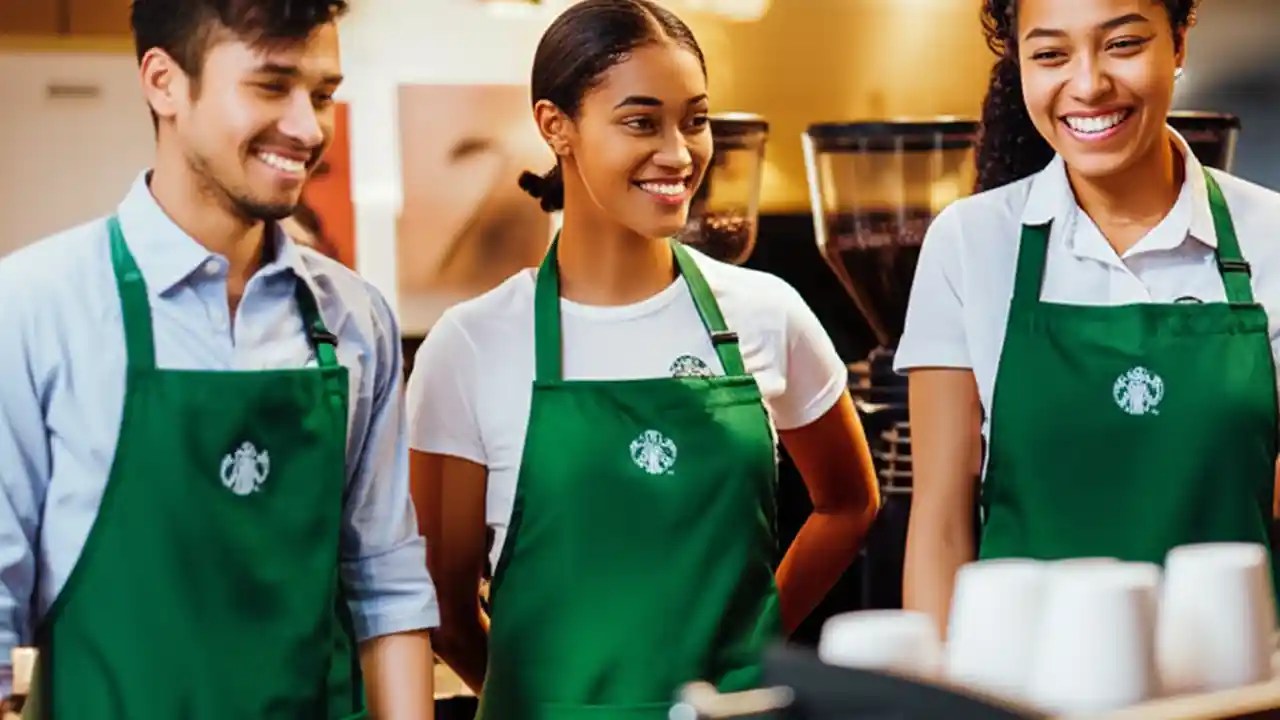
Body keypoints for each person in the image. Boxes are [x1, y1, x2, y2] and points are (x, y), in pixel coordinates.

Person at [405, 0, 881, 716]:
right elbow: (441, 606)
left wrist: (750, 653)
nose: (680, 152)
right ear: (554, 125)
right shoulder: (471, 345)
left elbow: (849, 503)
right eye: (640, 121)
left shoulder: (765, 311)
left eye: (694, 119)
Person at [0, 1, 439, 717]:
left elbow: (386, 586)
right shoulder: (33, 307)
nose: (308, 128)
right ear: (164, 82)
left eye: (323, 94)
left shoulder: (355, 320)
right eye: (271, 86)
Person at [898, 0, 1280, 634]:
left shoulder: (1270, 237)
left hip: (1235, 684)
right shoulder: (970, 242)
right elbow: (940, 524)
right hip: (1016, 685)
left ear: (1180, 41)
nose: (1088, 84)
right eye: (1050, 54)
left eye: (1123, 44)